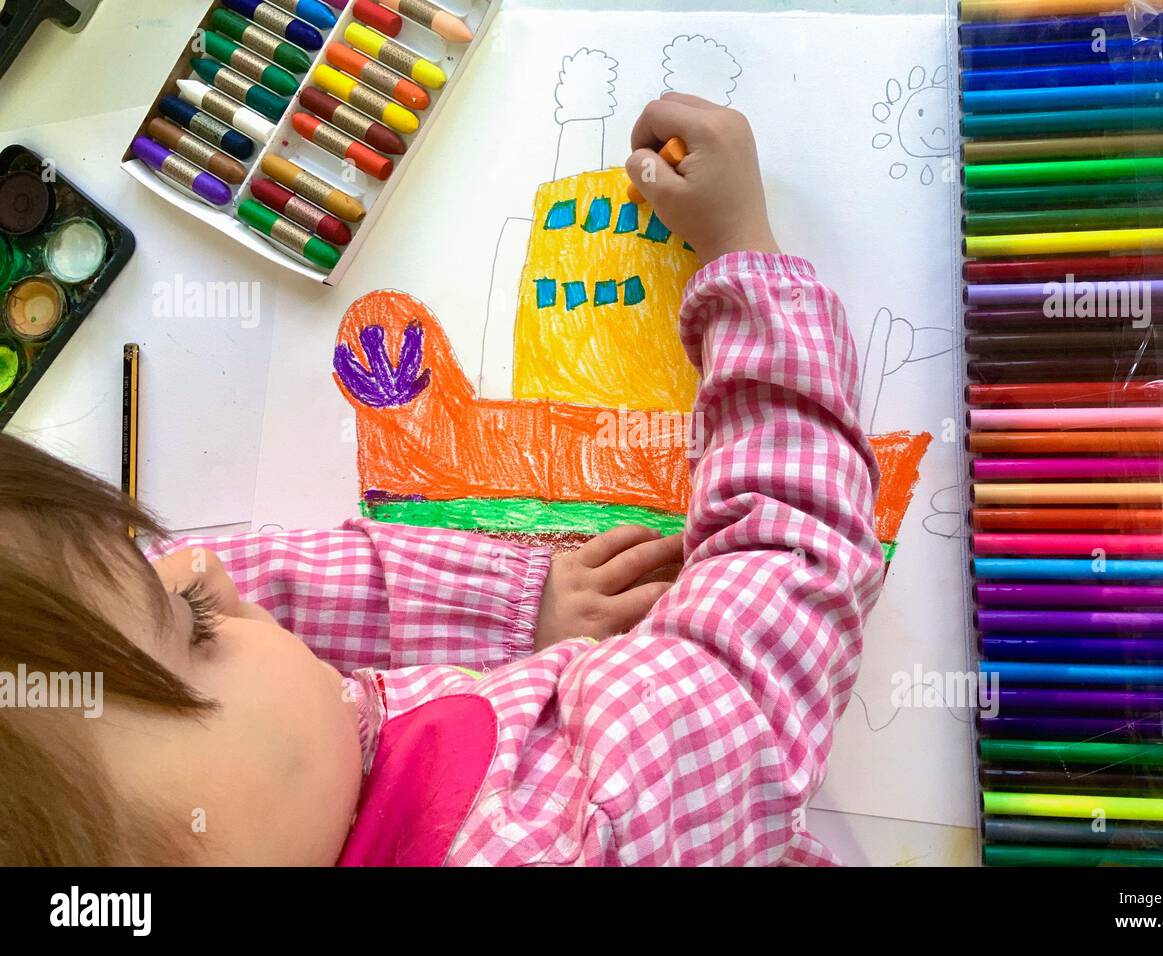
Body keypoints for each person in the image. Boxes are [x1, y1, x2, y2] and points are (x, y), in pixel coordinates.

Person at [0, 94, 883, 866]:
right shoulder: (591, 829)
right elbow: (784, 584)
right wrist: (748, 267)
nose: (209, 571)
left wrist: (510, 608)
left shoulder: (264, 795)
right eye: (194, 630)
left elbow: (273, 585)